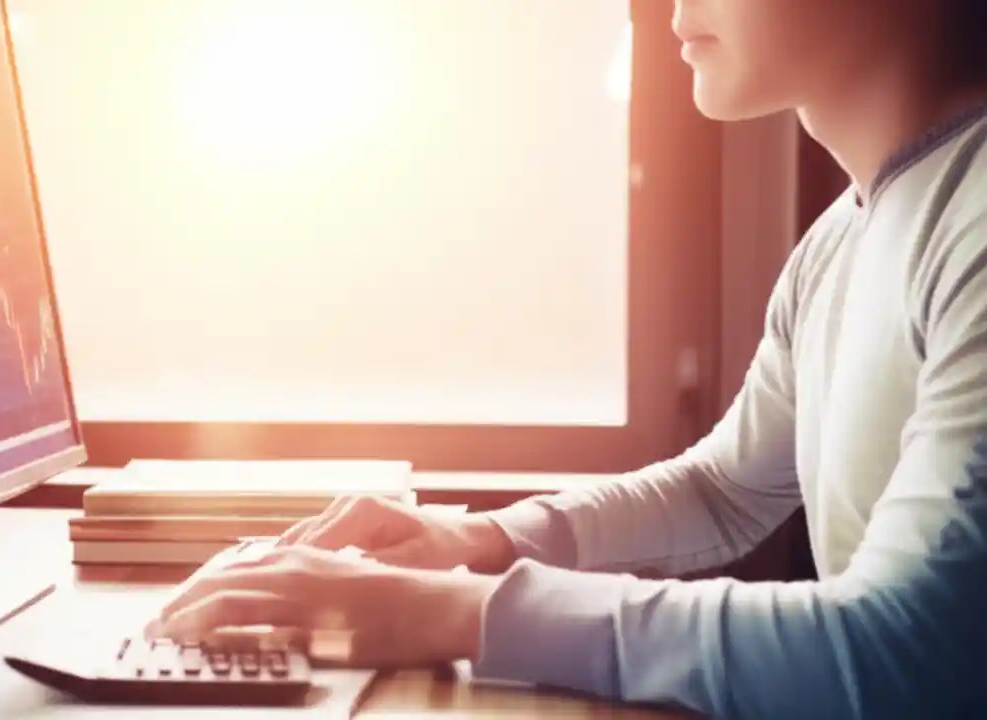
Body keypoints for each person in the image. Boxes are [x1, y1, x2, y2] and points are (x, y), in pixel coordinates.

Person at [146, 0, 987, 715]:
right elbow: (724, 490)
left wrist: (449, 612)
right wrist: (478, 539)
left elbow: (904, 648)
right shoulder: (844, 234)